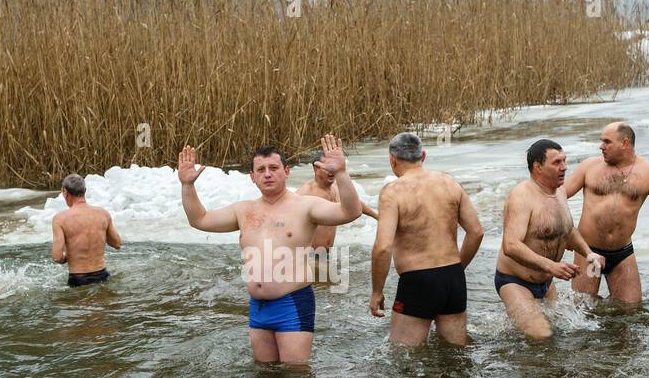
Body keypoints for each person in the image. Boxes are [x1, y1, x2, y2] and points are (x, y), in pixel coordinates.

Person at [178, 135, 362, 364]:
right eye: (261, 169)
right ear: (252, 177)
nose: (267, 173)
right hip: (258, 307)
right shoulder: (244, 210)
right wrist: (187, 185)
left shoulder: (305, 206)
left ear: (286, 171)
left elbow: (350, 212)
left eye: (274, 167)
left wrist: (342, 173)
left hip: (292, 304)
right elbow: (200, 219)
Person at [369, 132, 483, 345]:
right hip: (453, 278)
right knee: (455, 354)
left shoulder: (392, 191)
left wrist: (377, 292)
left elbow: (383, 247)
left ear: (392, 159)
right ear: (423, 155)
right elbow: (476, 231)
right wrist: (457, 267)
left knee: (404, 358)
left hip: (417, 281)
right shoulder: (449, 182)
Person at [496, 139, 603, 340]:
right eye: (556, 163)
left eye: (564, 161)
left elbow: (567, 229)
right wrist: (551, 266)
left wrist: (588, 253)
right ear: (537, 167)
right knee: (542, 336)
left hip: (546, 282)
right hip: (515, 282)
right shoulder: (521, 196)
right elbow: (510, 245)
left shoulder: (560, 192)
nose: (564, 167)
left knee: (563, 333)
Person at [563, 122, 649, 305]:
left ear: (624, 143)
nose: (601, 146)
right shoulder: (589, 167)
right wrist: (567, 233)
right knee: (584, 308)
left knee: (630, 309)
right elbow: (557, 197)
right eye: (601, 141)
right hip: (589, 253)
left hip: (622, 254)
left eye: (607, 142)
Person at [51, 173, 122, 286]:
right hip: (102, 275)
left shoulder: (60, 219)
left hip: (78, 279)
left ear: (65, 192)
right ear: (84, 190)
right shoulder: (103, 214)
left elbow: (57, 257)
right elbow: (117, 244)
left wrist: (71, 255)